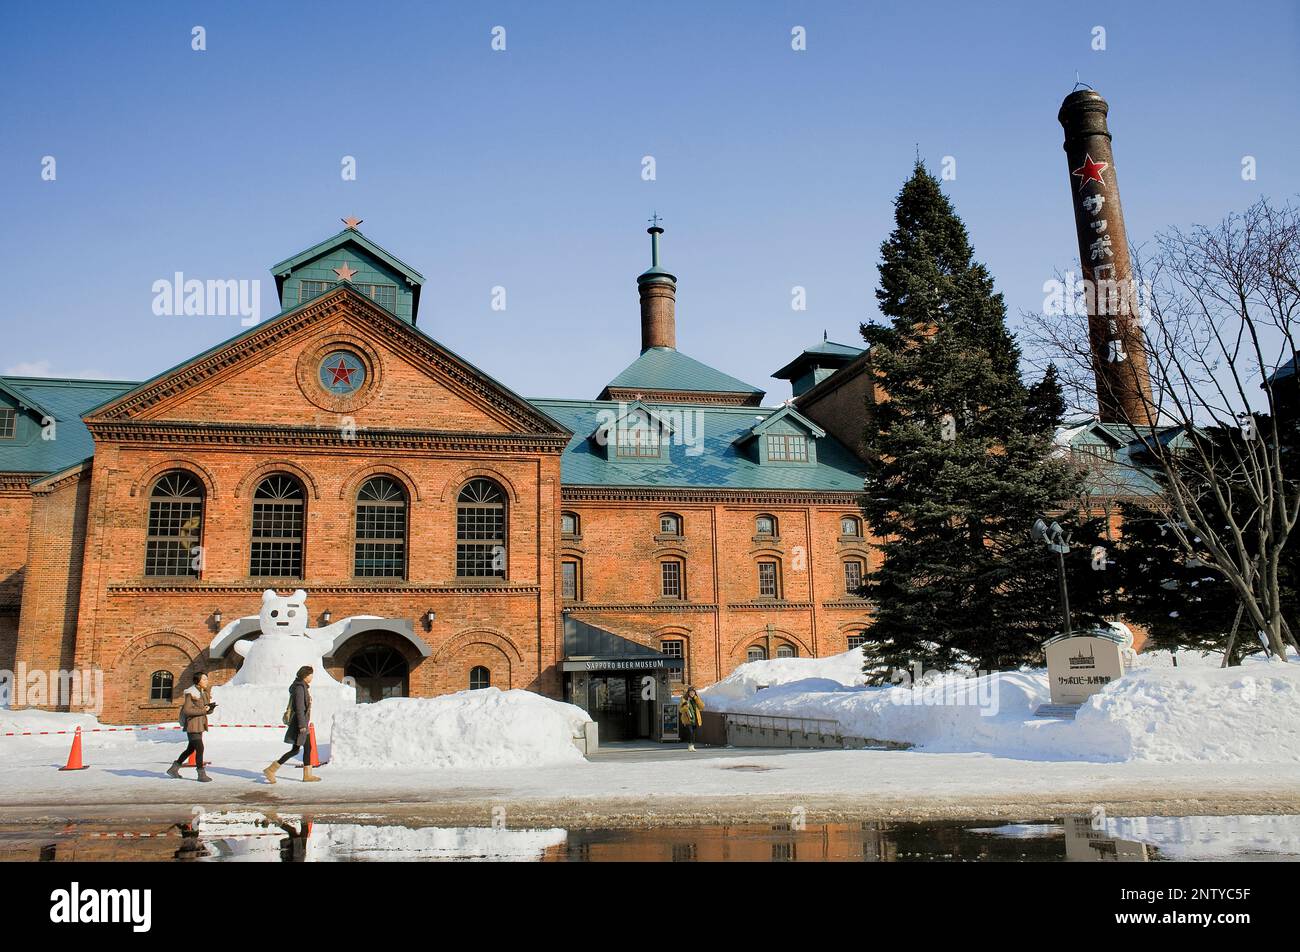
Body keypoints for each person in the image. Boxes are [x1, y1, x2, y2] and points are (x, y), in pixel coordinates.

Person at [264, 665, 320, 784]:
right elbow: (299, 708)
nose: (312, 677)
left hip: (303, 722)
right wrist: (302, 726)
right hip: (300, 724)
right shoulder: (299, 688)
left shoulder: (302, 686)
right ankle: (271, 770)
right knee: (296, 750)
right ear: (305, 675)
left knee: (305, 748)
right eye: (311, 675)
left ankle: (307, 775)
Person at [167, 672, 216, 782]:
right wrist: (204, 710)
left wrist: (210, 708)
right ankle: (201, 774)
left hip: (200, 725)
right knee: (200, 748)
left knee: (190, 749)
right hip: (192, 725)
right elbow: (187, 710)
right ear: (198, 681)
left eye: (206, 679)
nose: (206, 681)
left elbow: (203, 709)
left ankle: (173, 769)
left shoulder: (202, 693)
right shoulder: (191, 693)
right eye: (204, 679)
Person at [678, 686, 705, 751]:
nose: (692, 693)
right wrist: (686, 706)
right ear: (688, 693)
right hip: (688, 719)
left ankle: (692, 746)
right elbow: (681, 710)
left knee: (693, 733)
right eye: (691, 692)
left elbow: (702, 707)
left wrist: (696, 699)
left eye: (693, 692)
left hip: (695, 718)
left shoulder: (696, 699)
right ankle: (690, 745)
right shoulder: (684, 699)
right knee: (690, 732)